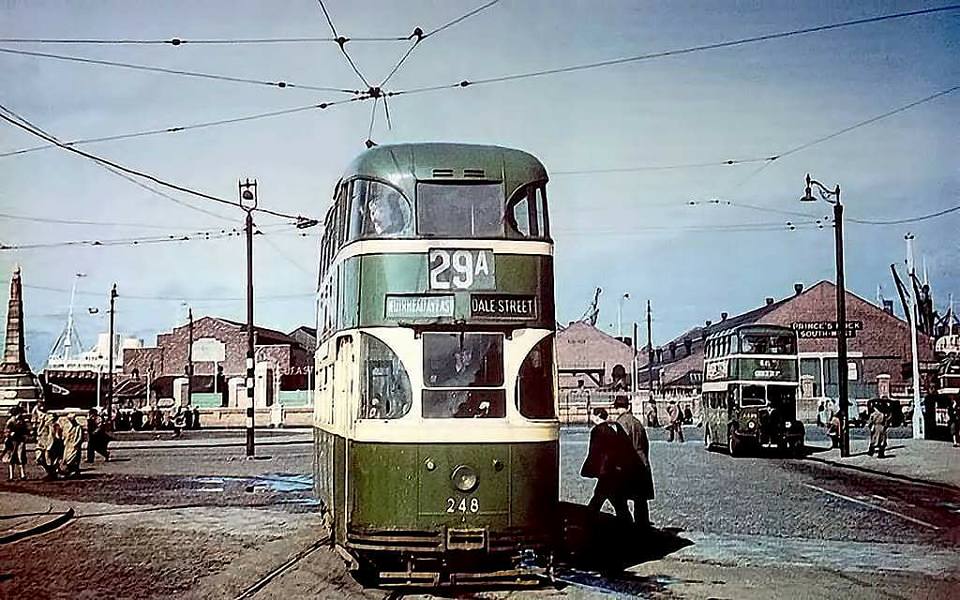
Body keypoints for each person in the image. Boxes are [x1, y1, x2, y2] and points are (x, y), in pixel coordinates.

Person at [580, 407, 633, 526]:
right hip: (613, 470)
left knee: (601, 497)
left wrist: (591, 468)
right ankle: (626, 521)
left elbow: (595, 452)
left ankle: (588, 520)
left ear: (598, 416)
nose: (591, 417)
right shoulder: (611, 430)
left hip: (605, 470)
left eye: (593, 415)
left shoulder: (597, 431)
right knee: (613, 497)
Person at [613, 396, 654, 529]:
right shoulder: (637, 422)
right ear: (628, 407)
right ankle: (643, 524)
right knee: (640, 498)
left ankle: (626, 522)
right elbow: (646, 444)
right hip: (642, 461)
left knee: (619, 495)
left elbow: (620, 446)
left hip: (628, 463)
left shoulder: (620, 423)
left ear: (616, 408)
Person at [34, 403, 62, 479]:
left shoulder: (55, 426)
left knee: (50, 460)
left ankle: (52, 473)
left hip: (51, 445)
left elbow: (55, 436)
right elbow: (39, 432)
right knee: (39, 459)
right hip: (42, 443)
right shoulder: (43, 425)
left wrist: (49, 446)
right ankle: (51, 472)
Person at [3, 405, 29, 481]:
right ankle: (16, 475)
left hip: (18, 441)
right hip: (13, 441)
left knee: (19, 457)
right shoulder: (12, 421)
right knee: (14, 458)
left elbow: (25, 431)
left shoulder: (19, 421)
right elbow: (6, 432)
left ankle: (19, 475)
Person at [59, 413, 83, 478]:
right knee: (66, 459)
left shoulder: (78, 427)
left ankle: (73, 471)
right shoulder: (67, 426)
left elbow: (80, 437)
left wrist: (76, 444)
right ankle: (70, 471)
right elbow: (65, 435)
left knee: (73, 459)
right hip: (68, 445)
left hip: (75, 445)